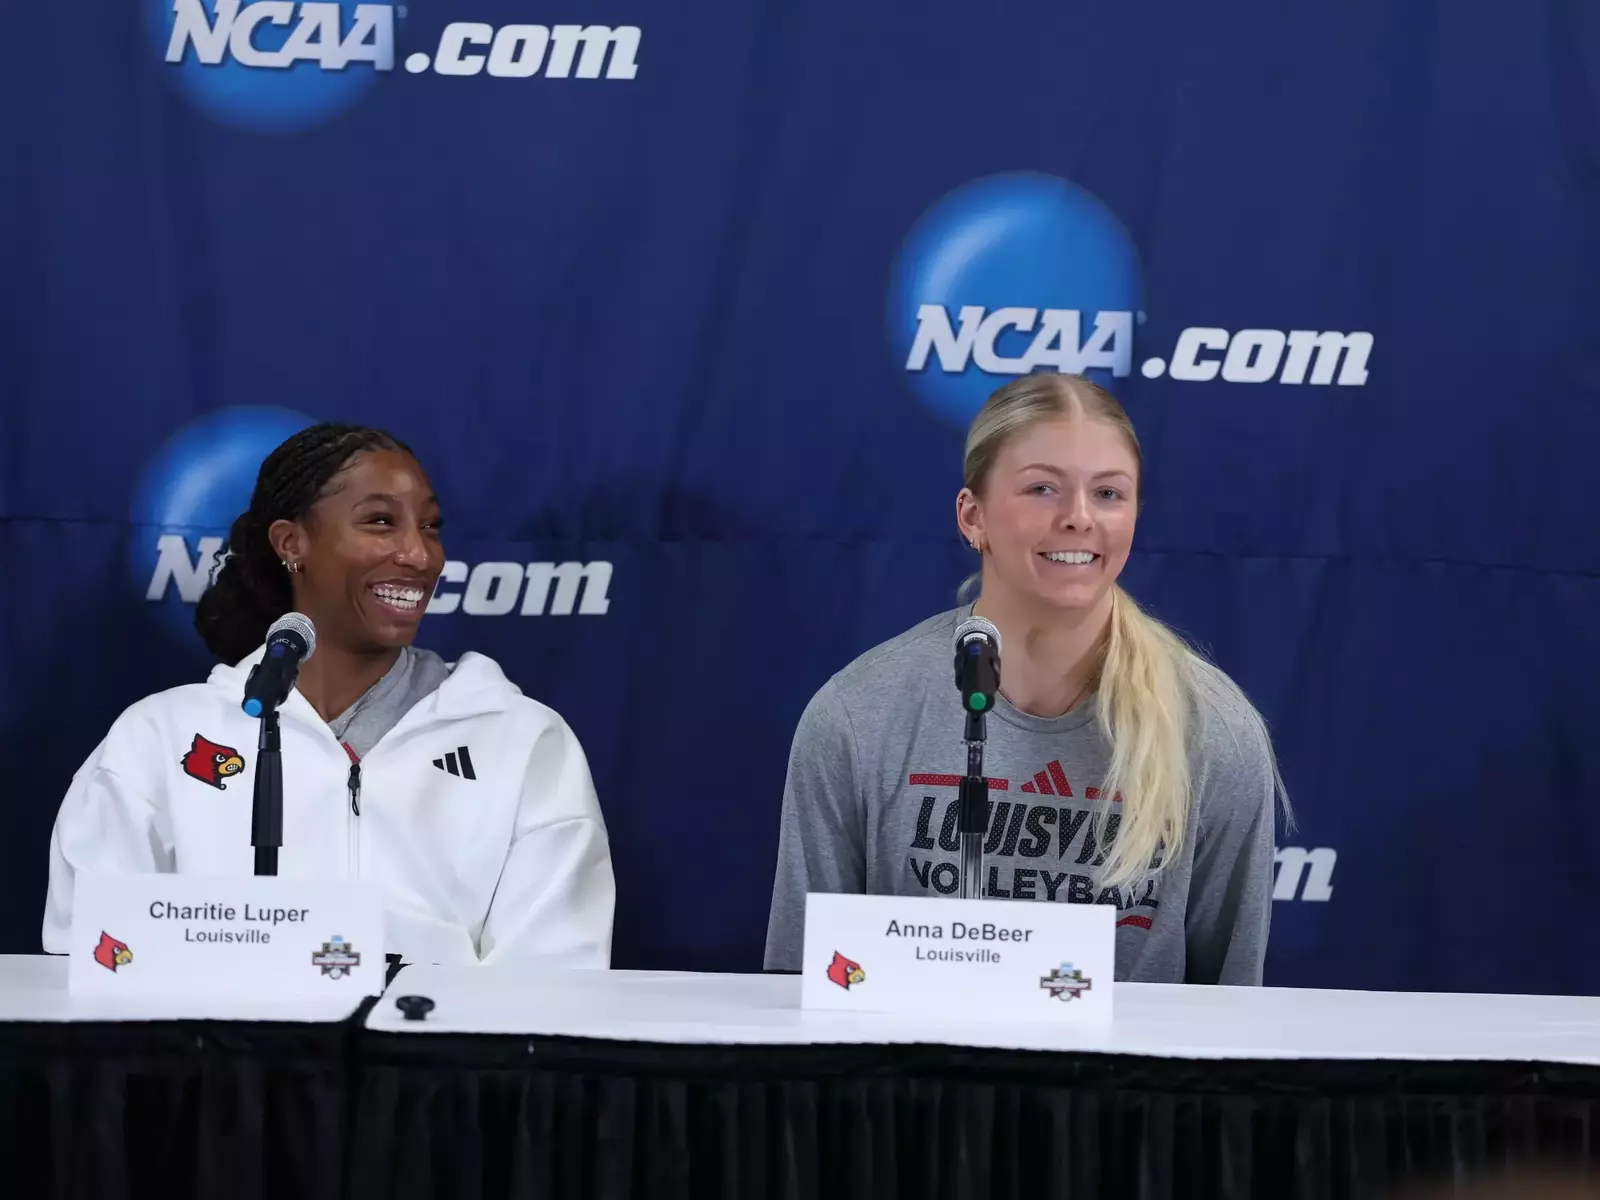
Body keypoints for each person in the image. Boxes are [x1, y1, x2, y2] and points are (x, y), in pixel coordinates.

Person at [765, 374, 1287, 983]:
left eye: (1109, 493)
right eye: (1043, 489)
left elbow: (1228, 1009)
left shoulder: (1212, 730)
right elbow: (804, 985)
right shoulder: (858, 716)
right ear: (973, 516)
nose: (1078, 518)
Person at [43, 423, 615, 968]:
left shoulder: (522, 740)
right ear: (292, 543)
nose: (420, 555)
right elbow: (94, 960)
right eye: (381, 522)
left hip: (442, 1043)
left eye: (431, 526)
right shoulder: (158, 740)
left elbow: (553, 981)